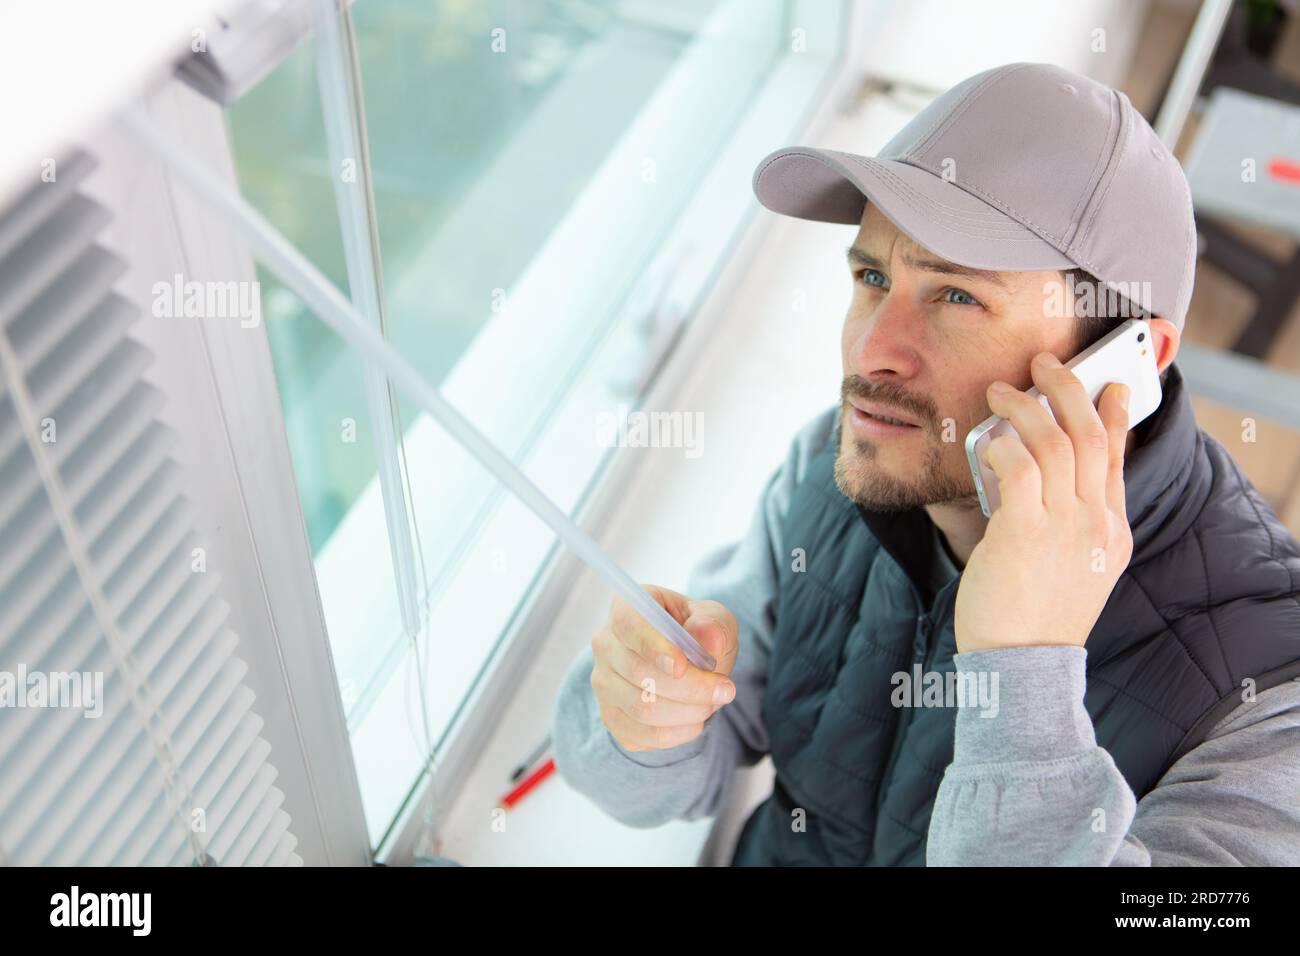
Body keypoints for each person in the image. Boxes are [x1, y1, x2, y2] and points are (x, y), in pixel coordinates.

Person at [551, 62, 1300, 865]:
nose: (873, 352)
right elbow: (662, 784)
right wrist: (643, 719)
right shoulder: (834, 468)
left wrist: (1024, 674)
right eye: (872, 276)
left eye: (957, 297)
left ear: (1130, 358)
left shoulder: (1271, 686)